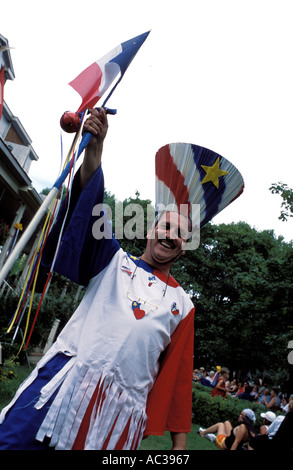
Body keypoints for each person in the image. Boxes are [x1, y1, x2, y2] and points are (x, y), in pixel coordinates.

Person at [0, 109, 195, 450]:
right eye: (165, 225)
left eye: (180, 234)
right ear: (149, 231)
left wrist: (180, 449)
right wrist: (96, 148)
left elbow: (178, 379)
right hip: (64, 380)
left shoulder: (183, 306)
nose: (170, 235)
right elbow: (91, 206)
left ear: (182, 250)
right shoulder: (112, 259)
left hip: (117, 416)